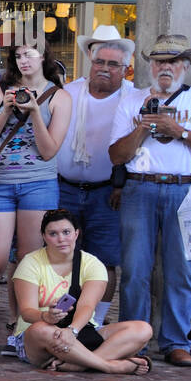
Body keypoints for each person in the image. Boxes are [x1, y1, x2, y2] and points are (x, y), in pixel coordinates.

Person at [0, 43, 70, 343]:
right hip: (0, 184)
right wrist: (6, 110)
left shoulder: (59, 97)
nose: (24, 61)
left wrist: (36, 112)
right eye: (18, 56)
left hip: (39, 183)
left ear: (44, 58)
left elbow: (49, 151)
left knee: (26, 259)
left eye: (30, 55)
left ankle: (17, 325)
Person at [108, 34, 191, 367]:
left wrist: (178, 131)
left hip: (185, 189)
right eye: (159, 61)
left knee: (182, 270)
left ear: (184, 65)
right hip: (139, 189)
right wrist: (143, 127)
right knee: (135, 269)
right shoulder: (133, 100)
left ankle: (176, 341)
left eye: (172, 61)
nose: (165, 68)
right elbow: (116, 155)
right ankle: (134, 340)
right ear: (150, 66)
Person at [54, 25, 135, 327]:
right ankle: (61, 319)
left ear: (125, 68)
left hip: (108, 192)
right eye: (99, 61)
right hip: (65, 187)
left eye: (113, 63)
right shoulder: (69, 92)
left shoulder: (133, 98)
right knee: (61, 258)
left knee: (103, 261)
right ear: (91, 59)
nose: (104, 68)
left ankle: (95, 324)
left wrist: (120, 184)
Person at [8, 209, 152, 374]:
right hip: (41, 335)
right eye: (53, 234)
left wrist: (72, 330)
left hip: (81, 331)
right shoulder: (30, 262)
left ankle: (78, 364)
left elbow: (87, 306)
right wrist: (46, 316)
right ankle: (109, 366)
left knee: (143, 329)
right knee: (40, 329)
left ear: (76, 234)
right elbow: (27, 312)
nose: (61, 239)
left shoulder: (92, 264)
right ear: (44, 236)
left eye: (66, 232)